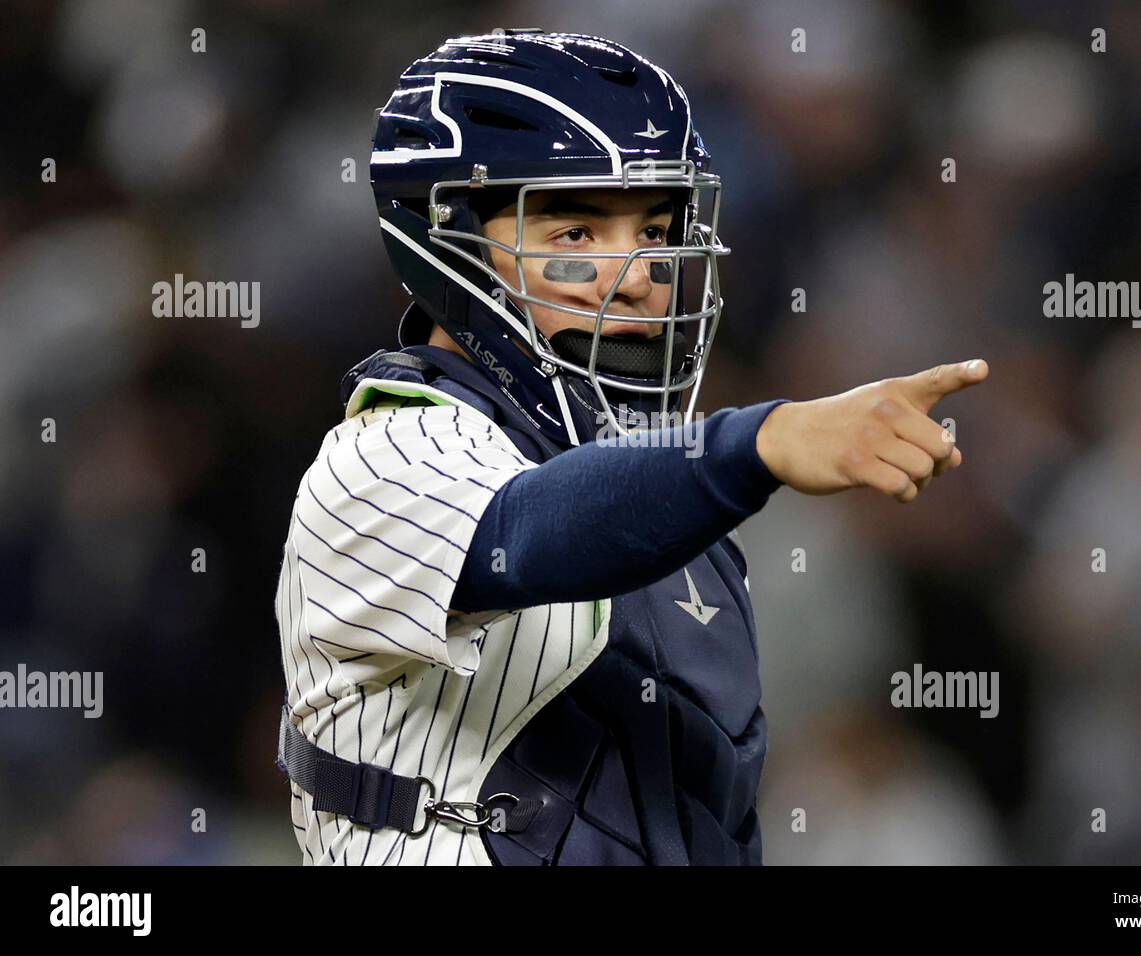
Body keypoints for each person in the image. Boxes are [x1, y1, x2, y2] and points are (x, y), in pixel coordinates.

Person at [273, 29, 988, 866]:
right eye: (576, 232)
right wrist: (760, 439)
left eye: (653, 228)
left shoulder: (676, 499)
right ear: (451, 239)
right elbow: (526, 535)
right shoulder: (382, 454)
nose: (641, 271)